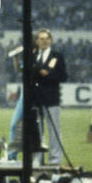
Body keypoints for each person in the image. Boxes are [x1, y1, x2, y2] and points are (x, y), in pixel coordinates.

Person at [33, 29, 67, 165]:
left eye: (46, 38)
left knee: (54, 131)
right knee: (36, 132)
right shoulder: (32, 56)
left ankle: (54, 160)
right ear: (36, 41)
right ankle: (37, 159)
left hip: (51, 99)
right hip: (36, 99)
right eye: (41, 39)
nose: (44, 41)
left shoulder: (57, 56)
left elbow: (63, 76)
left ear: (50, 40)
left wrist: (48, 75)